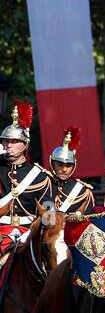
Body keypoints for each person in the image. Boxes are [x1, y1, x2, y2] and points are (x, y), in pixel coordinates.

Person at [0, 102, 54, 244]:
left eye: (14, 141)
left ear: (25, 145)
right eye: (5, 141)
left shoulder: (39, 176)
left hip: (28, 233)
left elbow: (49, 215)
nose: (9, 145)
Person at [47, 126, 94, 214]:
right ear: (52, 164)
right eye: (60, 165)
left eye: (68, 165)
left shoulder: (82, 191)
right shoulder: (45, 185)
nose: (64, 169)